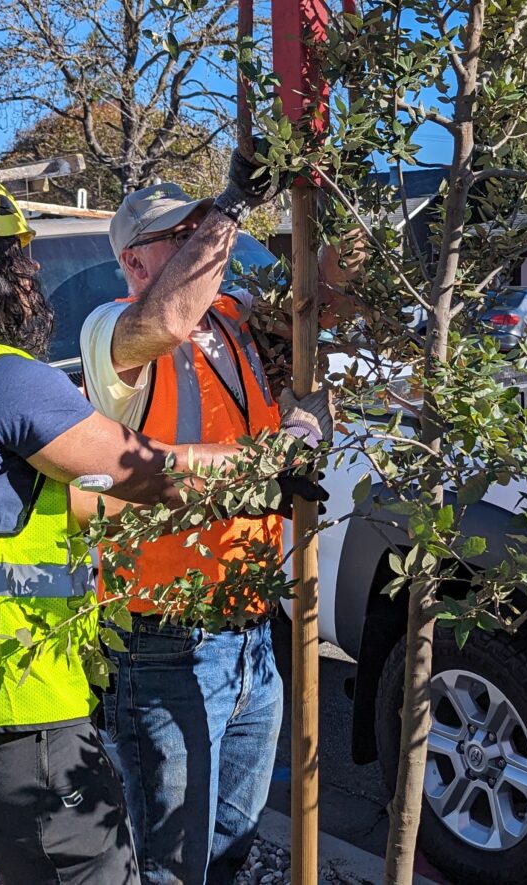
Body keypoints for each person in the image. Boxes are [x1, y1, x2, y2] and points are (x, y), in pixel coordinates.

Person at [0, 165, 331, 885]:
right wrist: (272, 463)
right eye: (13, 254)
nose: (30, 271)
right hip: (9, 705)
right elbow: (141, 468)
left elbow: (82, 503)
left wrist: (240, 492)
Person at [79, 151, 344, 885]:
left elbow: (326, 303)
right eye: (185, 232)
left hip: (252, 627)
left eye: (204, 225)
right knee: (170, 860)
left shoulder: (233, 323)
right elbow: (164, 319)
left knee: (232, 840)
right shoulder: (114, 332)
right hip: (163, 639)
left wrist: (341, 198)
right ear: (136, 260)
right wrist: (230, 204)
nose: (208, 238)